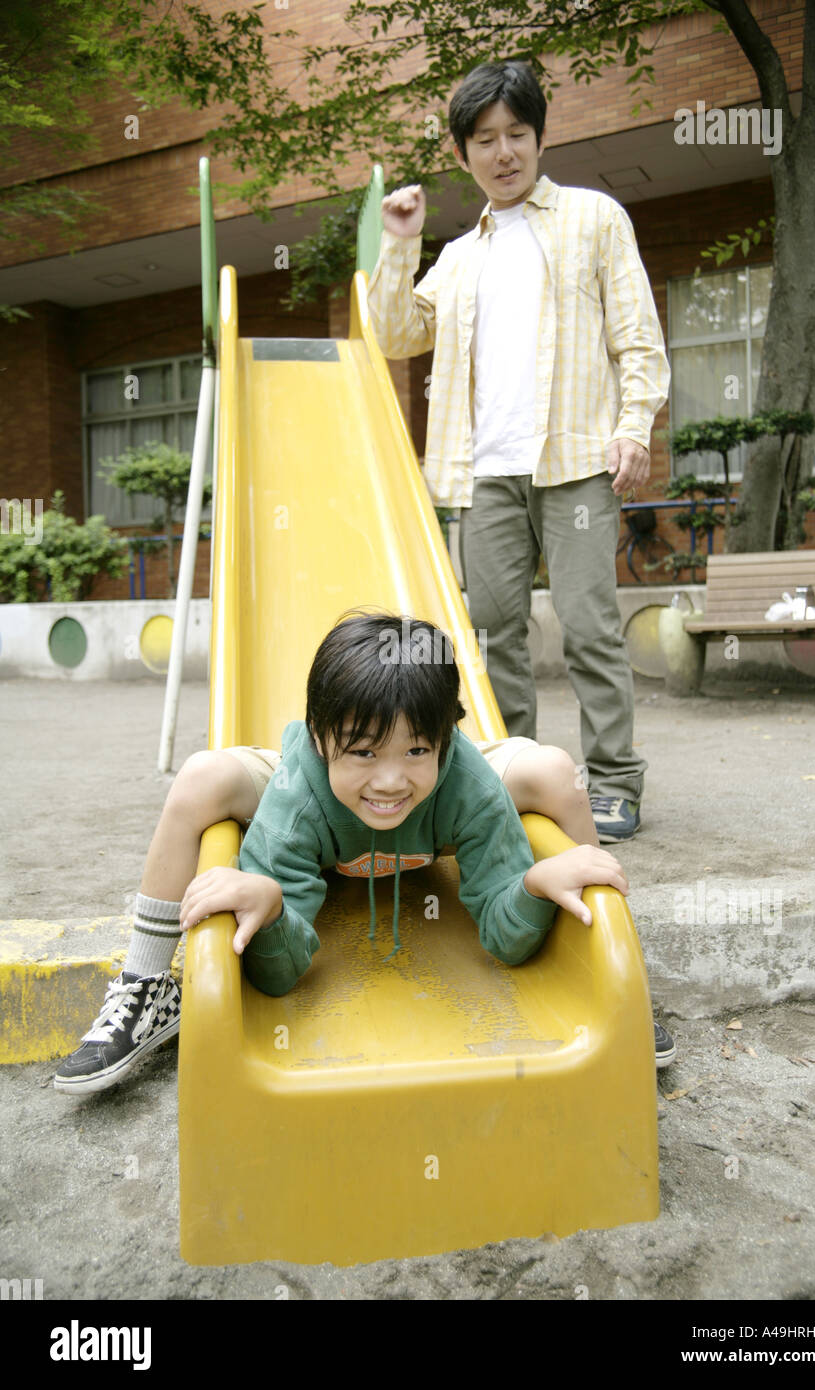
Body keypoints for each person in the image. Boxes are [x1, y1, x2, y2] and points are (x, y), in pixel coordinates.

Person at [53, 612, 675, 1095]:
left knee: (558, 771)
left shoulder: (463, 784)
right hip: (322, 795)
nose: (388, 781)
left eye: (416, 750)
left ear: (446, 740)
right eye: (363, 753)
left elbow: (504, 935)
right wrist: (268, 906)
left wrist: (538, 881)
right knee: (198, 780)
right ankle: (145, 985)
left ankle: (609, 963)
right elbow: (278, 973)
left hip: (442, 798)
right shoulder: (296, 798)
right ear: (323, 740)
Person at [367, 60, 671, 845]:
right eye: (485, 140)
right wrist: (397, 244)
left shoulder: (593, 219)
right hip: (483, 473)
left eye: (517, 135)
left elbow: (637, 338)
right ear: (462, 152)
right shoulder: (461, 257)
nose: (503, 153)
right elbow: (397, 335)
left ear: (539, 136)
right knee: (495, 631)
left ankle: (613, 779)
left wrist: (634, 425)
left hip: (572, 463)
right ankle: (515, 775)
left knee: (589, 624)